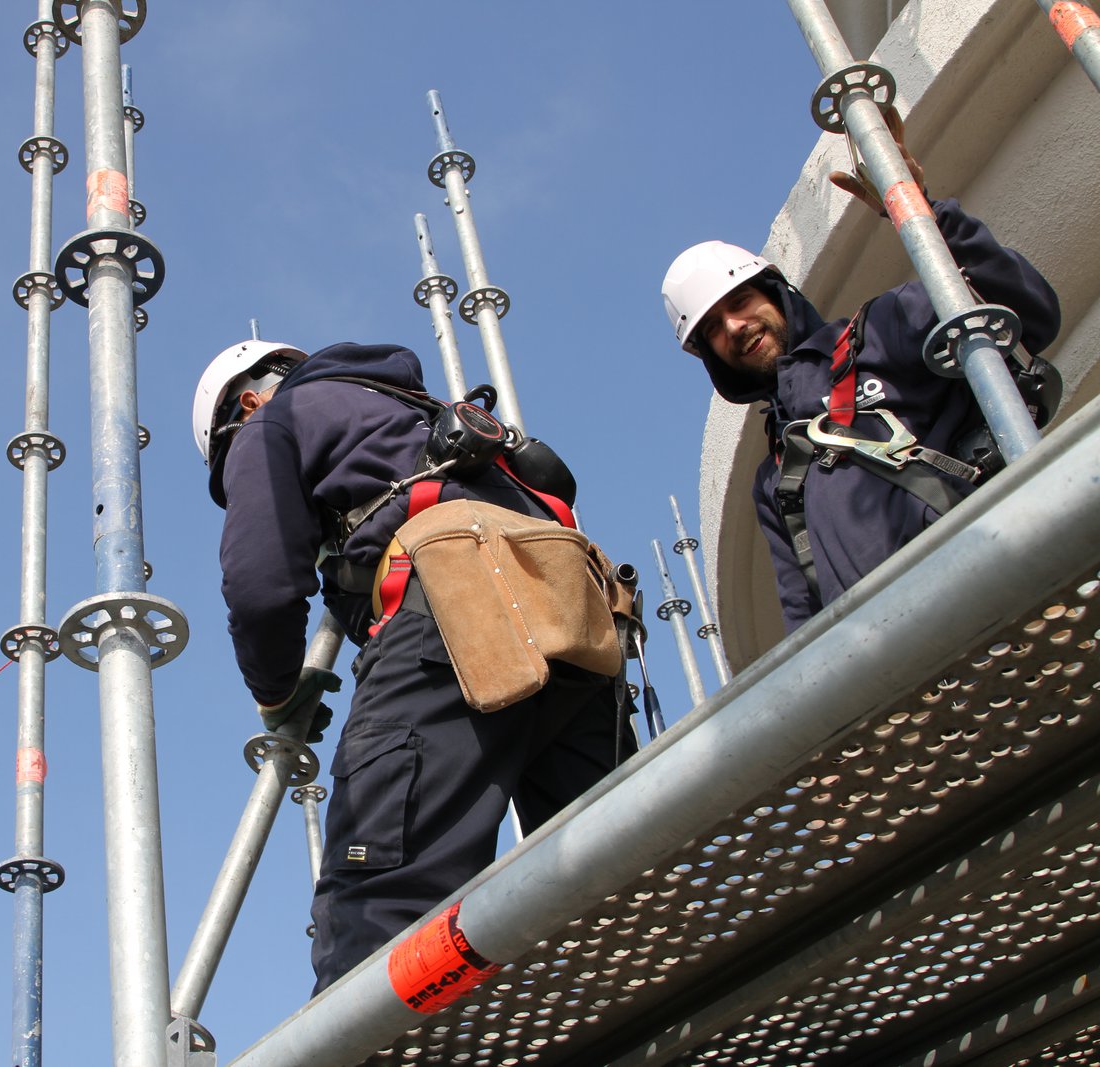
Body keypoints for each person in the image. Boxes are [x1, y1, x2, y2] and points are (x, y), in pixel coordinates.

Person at [192, 339, 632, 993]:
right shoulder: (408, 409)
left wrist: (277, 690)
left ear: (249, 400)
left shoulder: (271, 421)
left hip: (457, 607)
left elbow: (261, 582)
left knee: (380, 903)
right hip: (575, 613)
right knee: (608, 874)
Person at [660, 110, 1060, 633]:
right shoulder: (775, 477)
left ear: (776, 294)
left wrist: (921, 212)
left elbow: (1028, 312)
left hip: (1011, 589)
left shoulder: (885, 328)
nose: (735, 326)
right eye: (713, 326)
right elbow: (804, 616)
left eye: (741, 301)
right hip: (912, 671)